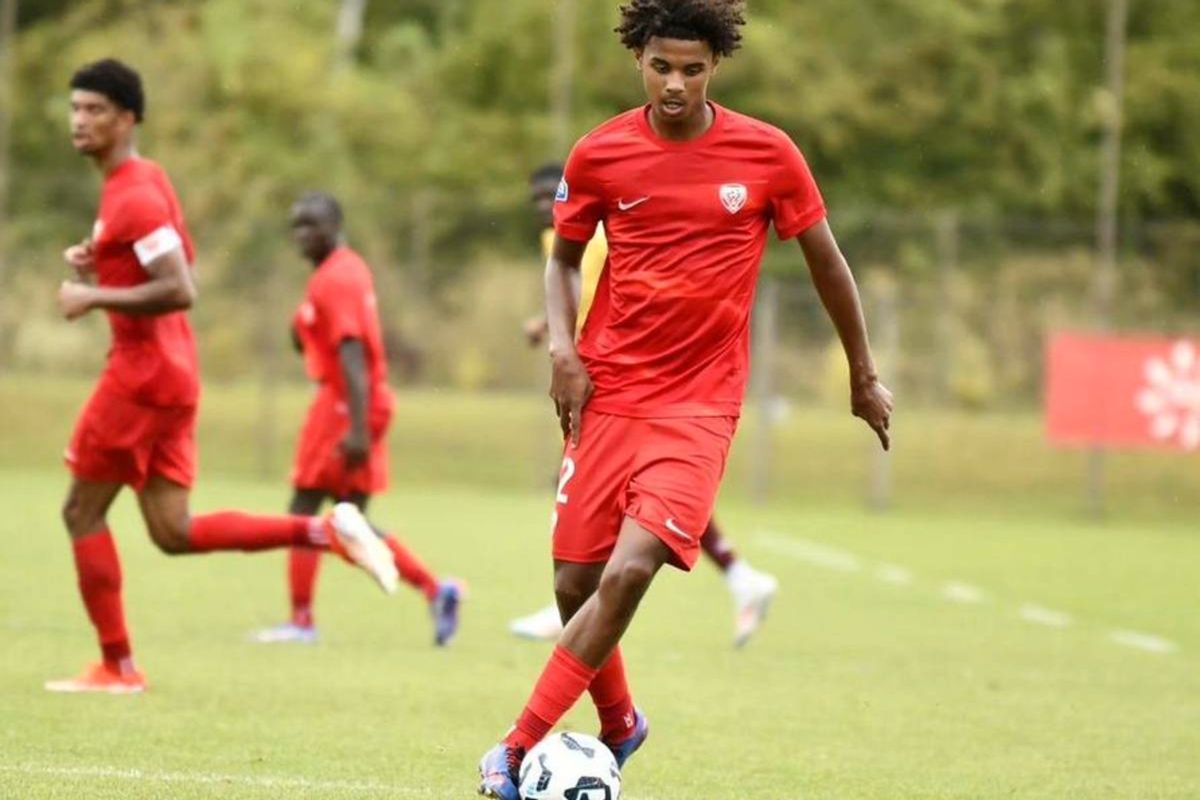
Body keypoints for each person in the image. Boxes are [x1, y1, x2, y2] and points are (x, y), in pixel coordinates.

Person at [478, 2, 893, 795]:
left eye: (692, 69)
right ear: (638, 58)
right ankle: (621, 724)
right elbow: (563, 263)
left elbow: (828, 262)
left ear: (716, 67)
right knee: (573, 586)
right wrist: (563, 352)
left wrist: (862, 372)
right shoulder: (599, 154)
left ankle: (514, 745)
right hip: (606, 396)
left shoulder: (767, 154)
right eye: (661, 66)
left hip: (699, 407)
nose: (675, 84)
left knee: (629, 573)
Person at [48, 59, 399, 695]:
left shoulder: (135, 191)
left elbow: (181, 288)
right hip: (172, 376)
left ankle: (117, 667)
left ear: (128, 119)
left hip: (141, 376)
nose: (80, 120)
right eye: (75, 108)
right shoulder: (141, 182)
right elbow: (175, 261)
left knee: (80, 511)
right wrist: (99, 258)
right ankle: (323, 532)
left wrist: (91, 297)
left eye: (95, 109)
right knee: (173, 532)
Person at [511, 164, 779, 648]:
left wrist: (558, 340)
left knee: (606, 497)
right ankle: (742, 578)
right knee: (641, 500)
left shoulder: (590, 237)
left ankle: (570, 608)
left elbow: (602, 294)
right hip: (594, 379)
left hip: (611, 383)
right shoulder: (557, 238)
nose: (541, 206)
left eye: (549, 195)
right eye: (535, 197)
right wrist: (545, 326)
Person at [250, 192, 462, 647]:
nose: (300, 236)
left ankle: (301, 622)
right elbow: (315, 336)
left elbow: (352, 353)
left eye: (310, 225)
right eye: (296, 226)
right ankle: (435, 588)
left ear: (335, 226)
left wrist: (358, 428)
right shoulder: (342, 272)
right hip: (359, 403)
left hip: (345, 404)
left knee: (303, 510)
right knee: (352, 525)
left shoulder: (337, 278)